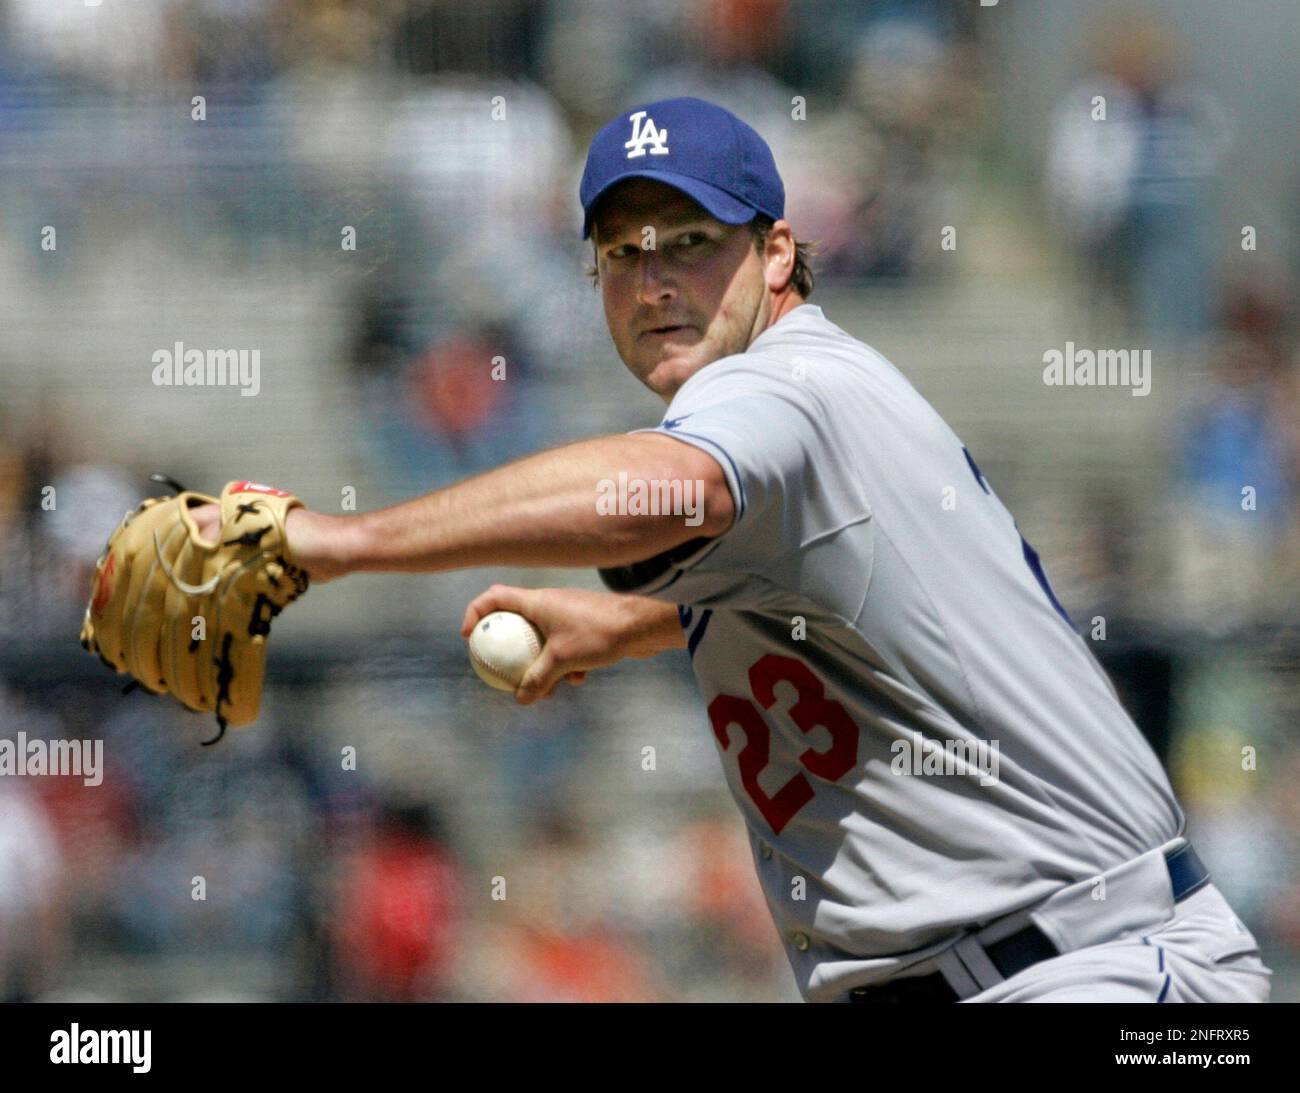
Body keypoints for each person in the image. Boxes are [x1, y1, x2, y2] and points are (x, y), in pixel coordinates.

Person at [198, 97, 1270, 1003]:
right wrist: (626, 623)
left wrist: (339, 540)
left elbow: (674, 488)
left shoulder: (781, 384)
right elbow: (842, 576)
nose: (655, 279)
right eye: (623, 252)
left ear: (777, 252)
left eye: (692, 241)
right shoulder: (811, 404)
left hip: (1097, 972)